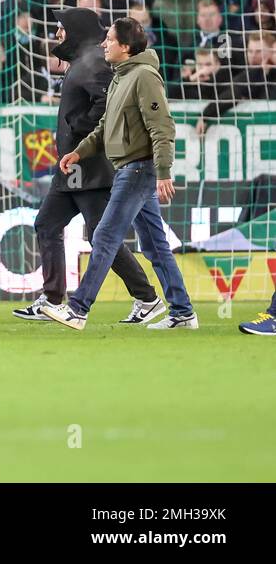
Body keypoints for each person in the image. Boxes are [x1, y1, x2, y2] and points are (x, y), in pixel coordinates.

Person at [46, 17, 197, 331]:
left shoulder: (144, 76)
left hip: (139, 168)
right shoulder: (121, 76)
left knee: (103, 236)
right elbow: (105, 127)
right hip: (128, 167)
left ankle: (78, 309)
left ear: (125, 47)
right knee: (154, 245)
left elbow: (162, 127)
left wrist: (164, 171)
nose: (104, 44)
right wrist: (79, 152)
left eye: (110, 40)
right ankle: (183, 312)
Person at [13, 9, 163, 324]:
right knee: (47, 224)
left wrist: (78, 126)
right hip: (73, 166)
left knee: (100, 235)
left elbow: (107, 103)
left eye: (61, 28)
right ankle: (52, 299)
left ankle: (147, 298)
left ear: (76, 29)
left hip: (91, 167)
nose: (57, 34)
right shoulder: (84, 60)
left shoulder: (94, 61)